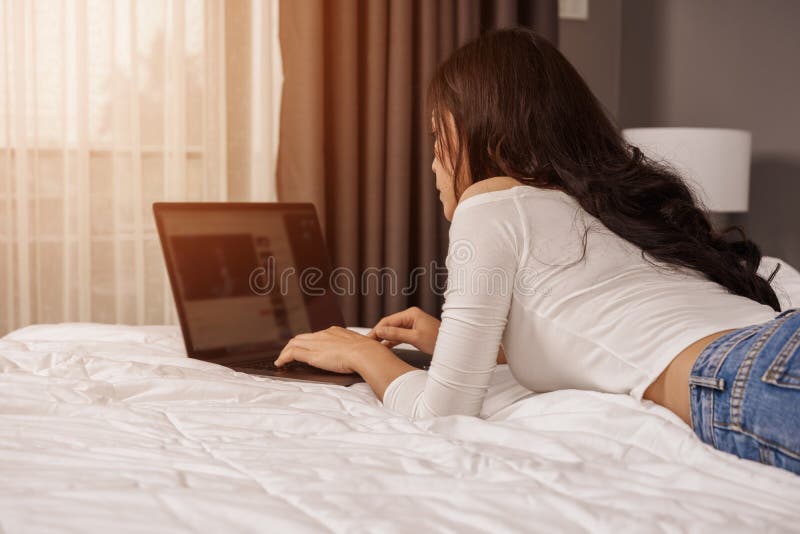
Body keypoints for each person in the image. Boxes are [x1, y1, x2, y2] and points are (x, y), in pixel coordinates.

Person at [275, 28, 800, 475]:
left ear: (483, 132)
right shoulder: (608, 203)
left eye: (439, 139)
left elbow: (444, 411)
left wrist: (361, 351)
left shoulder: (489, 201)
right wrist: (469, 346)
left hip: (748, 371)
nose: (434, 164)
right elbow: (600, 329)